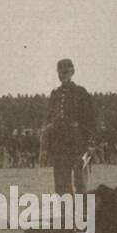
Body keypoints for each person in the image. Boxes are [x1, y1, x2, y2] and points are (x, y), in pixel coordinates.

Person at [45, 58, 95, 195]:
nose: (62, 74)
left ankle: (82, 215)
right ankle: (66, 215)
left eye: (66, 71)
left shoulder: (81, 92)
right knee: (61, 186)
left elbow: (90, 119)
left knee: (81, 185)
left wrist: (90, 143)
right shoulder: (54, 94)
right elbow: (49, 120)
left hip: (79, 145)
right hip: (59, 146)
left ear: (73, 72)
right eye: (60, 72)